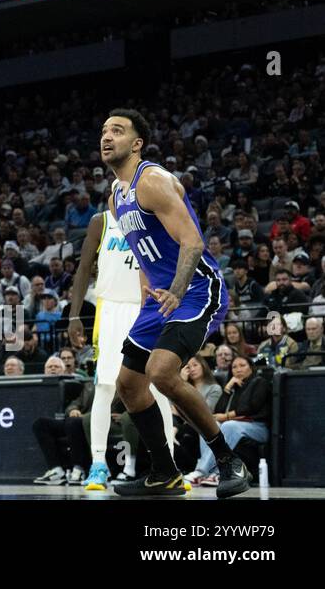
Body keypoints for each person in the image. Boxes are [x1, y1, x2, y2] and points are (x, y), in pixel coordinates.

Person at [100, 110, 249, 498]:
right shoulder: (116, 196)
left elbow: (193, 242)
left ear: (136, 144)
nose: (106, 137)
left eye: (117, 131)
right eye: (103, 131)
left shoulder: (153, 180)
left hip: (196, 288)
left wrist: (177, 291)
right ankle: (164, 474)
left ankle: (228, 460)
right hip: (160, 297)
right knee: (129, 385)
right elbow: (142, 252)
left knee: (162, 372)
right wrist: (147, 289)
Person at [67, 206, 174, 492]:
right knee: (105, 386)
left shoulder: (155, 216)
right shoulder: (101, 221)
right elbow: (83, 268)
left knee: (159, 386)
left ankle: (169, 467)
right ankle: (98, 464)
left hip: (149, 308)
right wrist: (74, 315)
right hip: (111, 308)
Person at [187, 356, 270, 487]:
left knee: (229, 426)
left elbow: (252, 407)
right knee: (208, 426)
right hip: (236, 425)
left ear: (251, 367)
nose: (238, 369)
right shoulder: (235, 385)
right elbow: (218, 410)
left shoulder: (259, 382)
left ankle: (203, 471)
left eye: (242, 365)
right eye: (234, 367)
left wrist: (226, 416)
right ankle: (212, 473)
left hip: (257, 427)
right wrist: (227, 389)